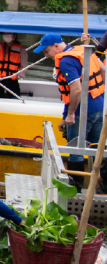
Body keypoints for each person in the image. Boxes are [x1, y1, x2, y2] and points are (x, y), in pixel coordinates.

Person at [35, 34, 104, 180]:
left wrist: (71, 114)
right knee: (99, 149)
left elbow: (76, 89)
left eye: (46, 51)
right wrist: (65, 115)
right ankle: (102, 187)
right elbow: (103, 70)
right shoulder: (83, 51)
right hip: (99, 107)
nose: (46, 55)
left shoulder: (65, 61)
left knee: (75, 152)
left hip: (82, 112)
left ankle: (76, 189)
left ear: (56, 46)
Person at [0, 32, 27, 99]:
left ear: (14, 36)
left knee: (15, 97)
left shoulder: (21, 49)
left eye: (8, 34)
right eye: (4, 34)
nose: (6, 36)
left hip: (12, 78)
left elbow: (24, 65)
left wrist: (19, 75)